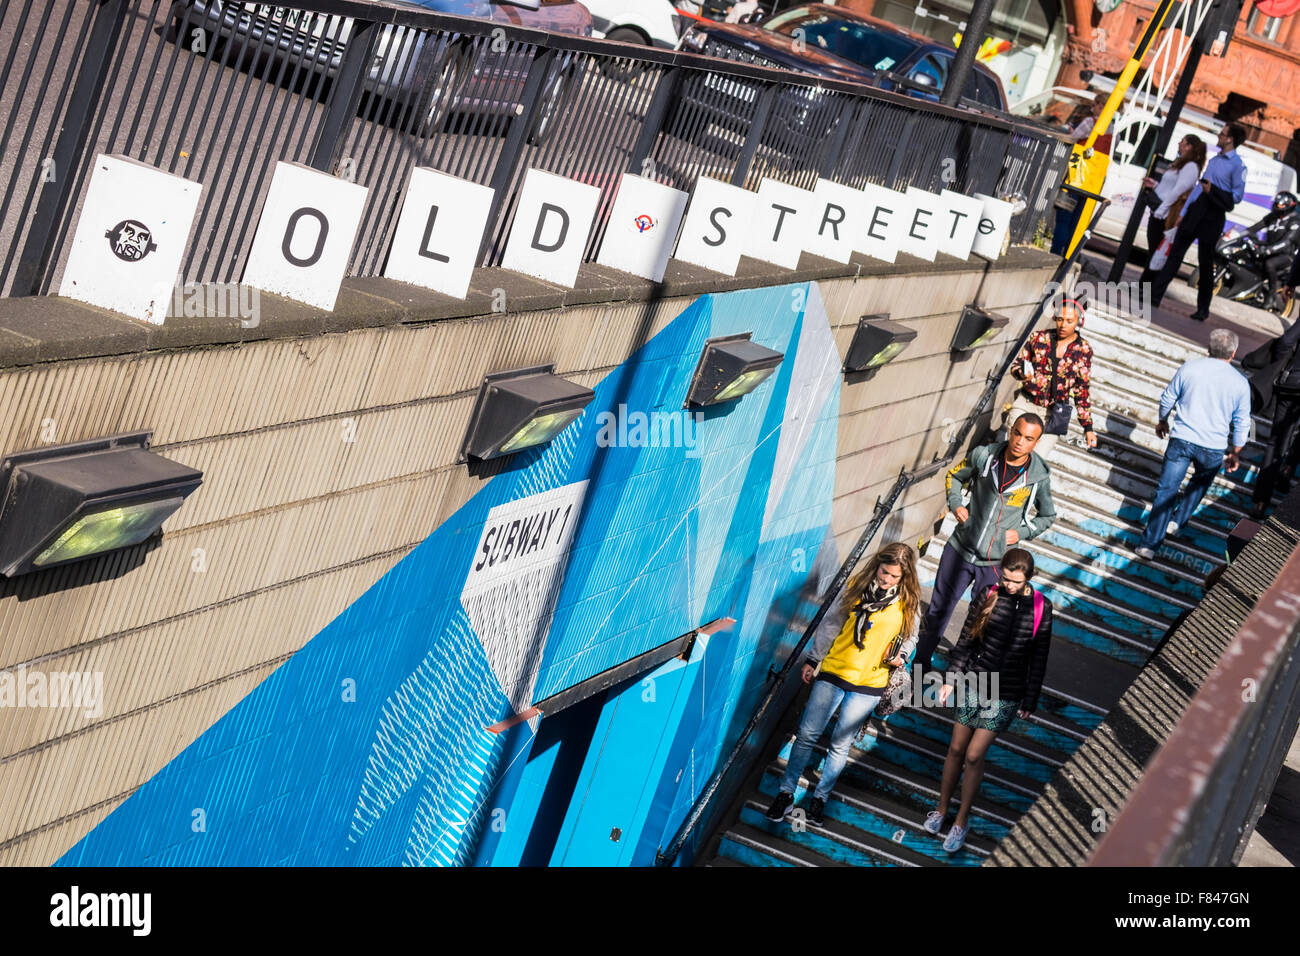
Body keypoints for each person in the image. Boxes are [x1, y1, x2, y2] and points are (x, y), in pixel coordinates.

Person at [764, 542, 921, 828]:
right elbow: (829, 626)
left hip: (870, 682)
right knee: (807, 734)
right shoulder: (855, 590)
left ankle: (819, 799)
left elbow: (911, 637)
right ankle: (786, 793)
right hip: (834, 672)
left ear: (904, 577)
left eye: (894, 576)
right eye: (884, 572)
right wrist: (813, 660)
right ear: (877, 566)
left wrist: (902, 655)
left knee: (840, 744)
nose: (886, 580)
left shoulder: (908, 605)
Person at [927, 548, 1052, 853]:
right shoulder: (988, 593)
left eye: (1015, 581)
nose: (1009, 585)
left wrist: (1030, 698)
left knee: (973, 755)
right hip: (975, 680)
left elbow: (1039, 656)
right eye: (1006, 579)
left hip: (1007, 692)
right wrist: (950, 680)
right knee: (956, 748)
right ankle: (941, 810)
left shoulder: (1041, 607)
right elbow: (967, 642)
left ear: (1028, 579)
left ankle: (961, 820)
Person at [914, 414, 1057, 672]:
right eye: (1017, 433)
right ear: (1011, 431)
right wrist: (956, 505)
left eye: (1028, 439)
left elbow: (1048, 516)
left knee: (981, 621)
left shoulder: (1038, 478)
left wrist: (1022, 533)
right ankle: (919, 664)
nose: (1019, 442)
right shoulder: (985, 456)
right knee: (938, 610)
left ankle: (956, 674)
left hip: (995, 563)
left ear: (1036, 443)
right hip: (959, 549)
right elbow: (955, 477)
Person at [1135, 328, 1251, 559]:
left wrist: (1162, 421)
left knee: (1166, 490)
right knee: (1199, 484)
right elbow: (1242, 422)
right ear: (1234, 352)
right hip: (1213, 446)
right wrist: (1235, 452)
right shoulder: (1240, 383)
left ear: (1209, 347)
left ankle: (1149, 545)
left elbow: (1167, 397)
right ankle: (1178, 520)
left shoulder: (1191, 368)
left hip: (1182, 439)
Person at [1151, 124, 1248, 320]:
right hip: (1197, 210)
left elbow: (1237, 196)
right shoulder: (1214, 160)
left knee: (1205, 263)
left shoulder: (1238, 165)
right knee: (1175, 255)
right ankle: (1154, 296)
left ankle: (1203, 309)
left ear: (1230, 139)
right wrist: (1184, 212)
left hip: (1214, 215)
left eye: (1222, 134)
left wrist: (1213, 190)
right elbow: (1198, 189)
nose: (1219, 136)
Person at [1004, 297, 1097, 458]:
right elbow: (1016, 366)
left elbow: (1081, 389)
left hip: (1053, 415)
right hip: (1026, 404)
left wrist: (1088, 427)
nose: (1063, 325)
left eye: (1069, 321)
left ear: (1079, 322)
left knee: (1036, 459)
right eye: (1060, 319)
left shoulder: (1084, 350)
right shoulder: (1039, 338)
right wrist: (1022, 373)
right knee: (1014, 451)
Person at [1241, 304, 1300, 518]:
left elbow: (1286, 342)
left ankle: (1260, 502)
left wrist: (1288, 364)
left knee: (1276, 441)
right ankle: (1288, 468)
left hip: (1292, 384)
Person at [1138, 134, 1207, 286]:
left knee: (1157, 251)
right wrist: (1155, 185)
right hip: (1160, 208)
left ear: (1189, 147)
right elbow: (1170, 188)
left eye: (1182, 142)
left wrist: (1163, 209)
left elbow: (1178, 191)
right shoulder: (1182, 164)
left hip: (1166, 214)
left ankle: (1146, 286)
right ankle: (1145, 285)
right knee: (1154, 250)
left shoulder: (1190, 167)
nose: (1179, 143)